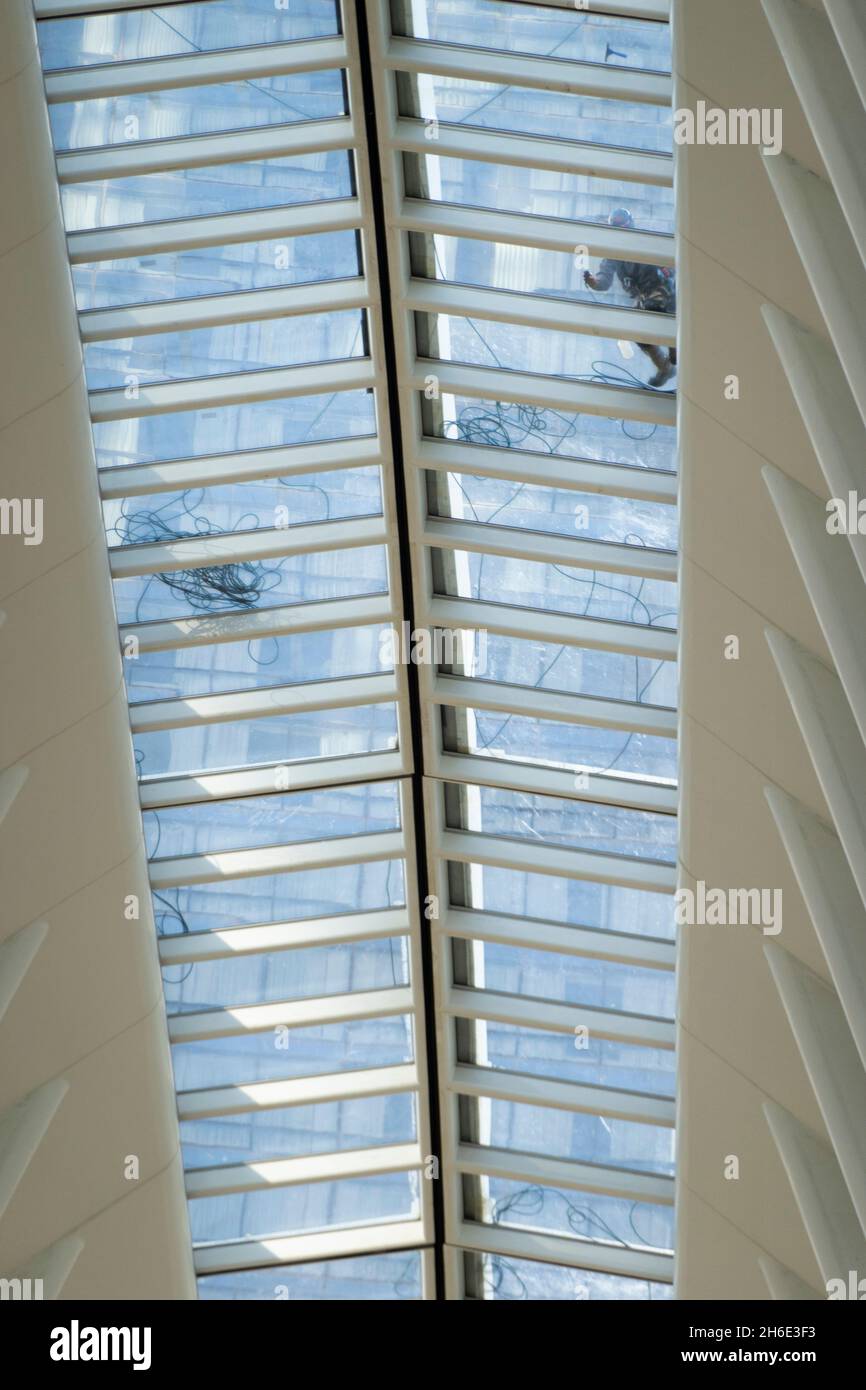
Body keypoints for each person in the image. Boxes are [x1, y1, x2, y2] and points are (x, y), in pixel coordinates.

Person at [583, 208, 677, 388]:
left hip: (661, 288)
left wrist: (668, 268)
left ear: (630, 223)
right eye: (616, 225)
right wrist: (593, 282)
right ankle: (664, 366)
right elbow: (604, 281)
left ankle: (674, 347)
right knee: (636, 328)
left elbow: (669, 256)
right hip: (643, 295)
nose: (621, 228)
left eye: (622, 223)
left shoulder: (645, 240)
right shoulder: (612, 255)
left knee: (655, 309)